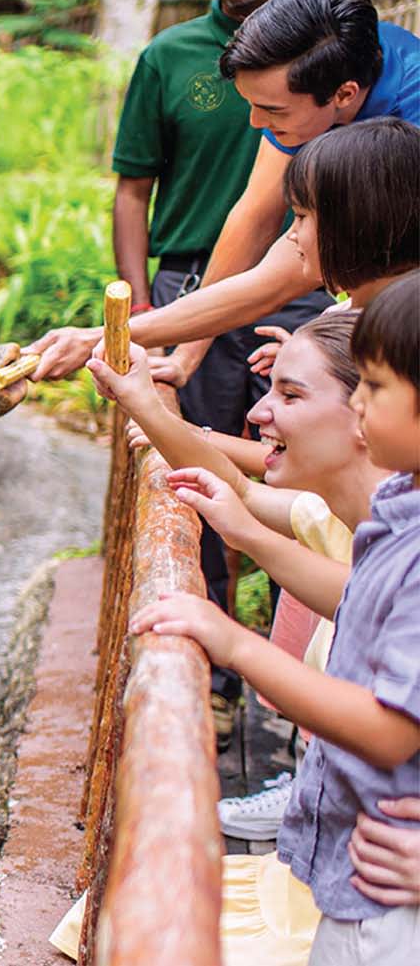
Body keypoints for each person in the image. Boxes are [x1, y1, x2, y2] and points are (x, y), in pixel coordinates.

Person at [132, 271, 420, 963]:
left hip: (384, 901)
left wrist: (234, 642)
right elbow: (357, 601)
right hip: (352, 874)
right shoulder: (396, 512)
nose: (359, 408)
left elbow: (390, 728)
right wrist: (245, 531)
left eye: (374, 389)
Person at [103, 0, 321, 681]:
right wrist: (149, 305)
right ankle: (205, 663)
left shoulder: (326, 51)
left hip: (296, 282)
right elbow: (133, 188)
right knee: (185, 471)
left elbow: (267, 210)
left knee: (295, 461)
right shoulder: (169, 57)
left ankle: (282, 655)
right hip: (191, 276)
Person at [28, 0, 420, 382]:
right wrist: (185, 358)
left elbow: (289, 273)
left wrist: (108, 335)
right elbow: (254, 218)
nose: (256, 124)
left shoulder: (407, 123)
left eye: (270, 110)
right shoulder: (321, 74)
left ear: (344, 95)